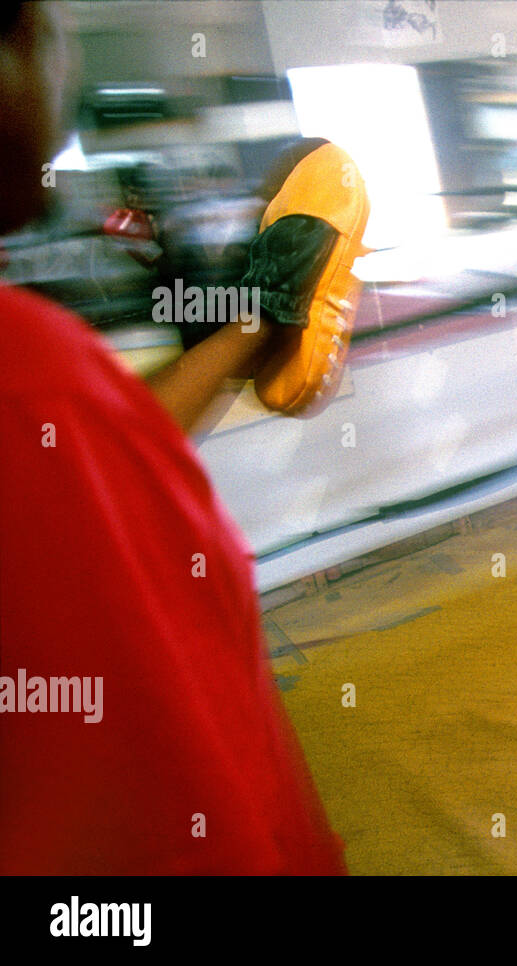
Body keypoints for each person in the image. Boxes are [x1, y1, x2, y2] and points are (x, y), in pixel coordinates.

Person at [0, 1, 348, 873]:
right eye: (40, 27)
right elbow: (146, 754)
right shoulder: (29, 367)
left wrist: (255, 319)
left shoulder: (37, 374)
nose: (59, 58)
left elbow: (101, 455)